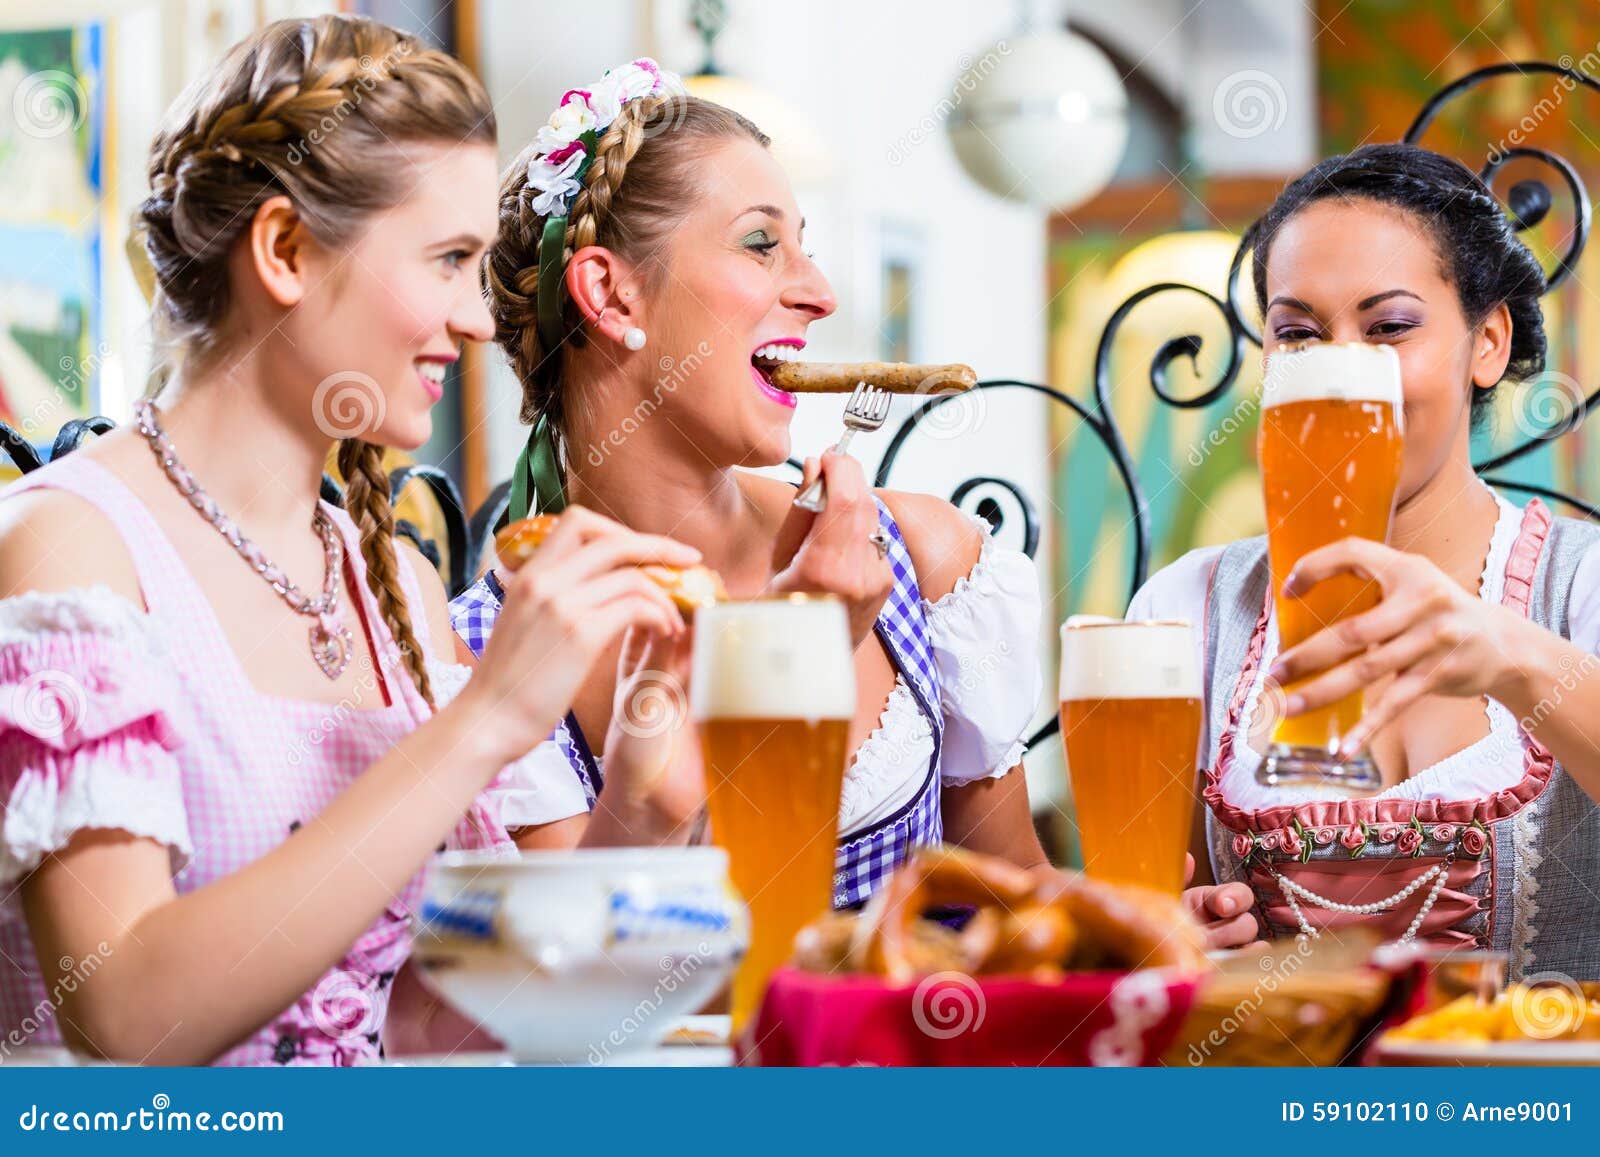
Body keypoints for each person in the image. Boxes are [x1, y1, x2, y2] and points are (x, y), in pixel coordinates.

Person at [0, 14, 698, 1066]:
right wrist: (485, 720)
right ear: (285, 250)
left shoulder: (398, 584)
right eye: (449, 260)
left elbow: (478, 1028)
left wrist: (645, 803)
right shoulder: (69, 547)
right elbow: (129, 1017)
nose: (477, 319)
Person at [450, 61, 1259, 947]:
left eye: (803, 245)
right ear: (610, 293)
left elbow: (1015, 900)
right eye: (761, 244)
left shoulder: (924, 556)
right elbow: (595, 976)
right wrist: (805, 649)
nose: (819, 292)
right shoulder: (479, 657)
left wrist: (1125, 928)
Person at [1131, 142, 1600, 977]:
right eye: (1297, 333)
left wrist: (1513, 655)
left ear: (1488, 342)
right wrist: (1174, 940)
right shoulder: (1186, 607)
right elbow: (1146, 915)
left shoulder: (1583, 587)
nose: (1342, 366)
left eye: (1388, 327)